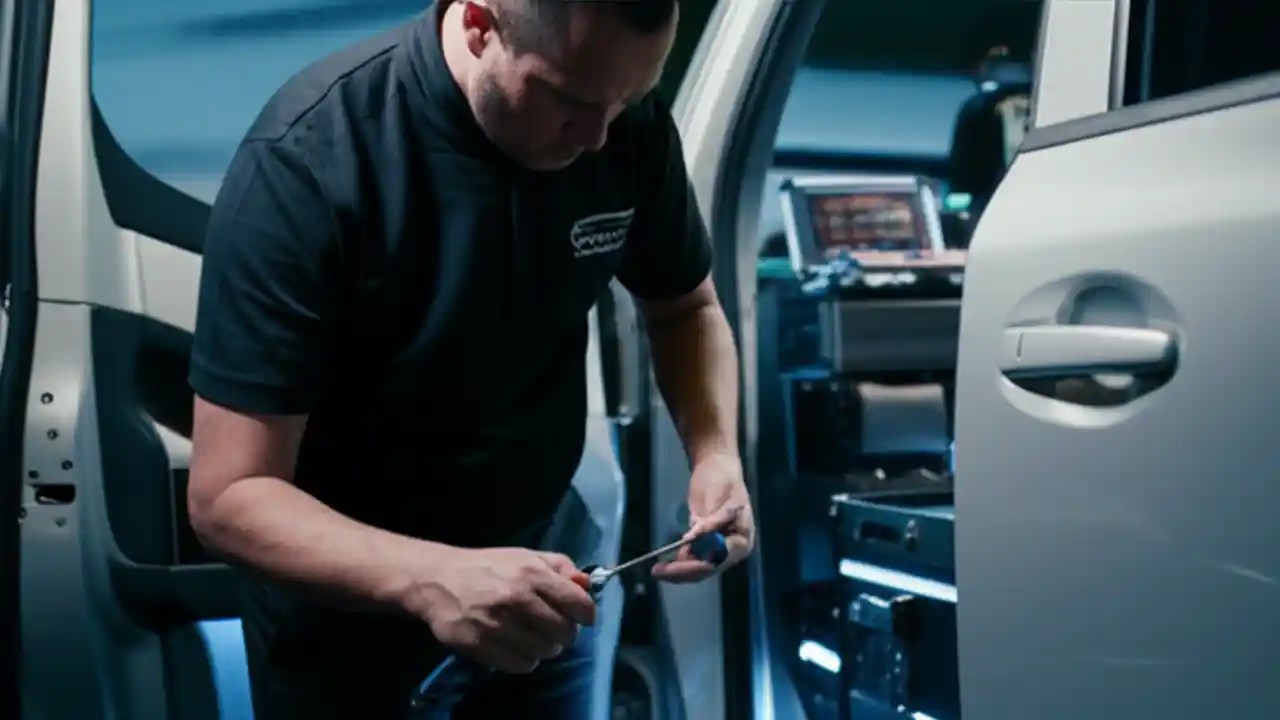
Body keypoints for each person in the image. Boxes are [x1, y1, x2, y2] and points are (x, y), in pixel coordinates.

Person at [185, 0, 755, 718]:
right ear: (481, 23)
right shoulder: (309, 162)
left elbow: (686, 308)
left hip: (550, 582)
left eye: (629, 100)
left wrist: (715, 455)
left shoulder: (617, 122)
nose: (599, 137)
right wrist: (434, 578)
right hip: (349, 618)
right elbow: (228, 498)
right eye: (569, 99)